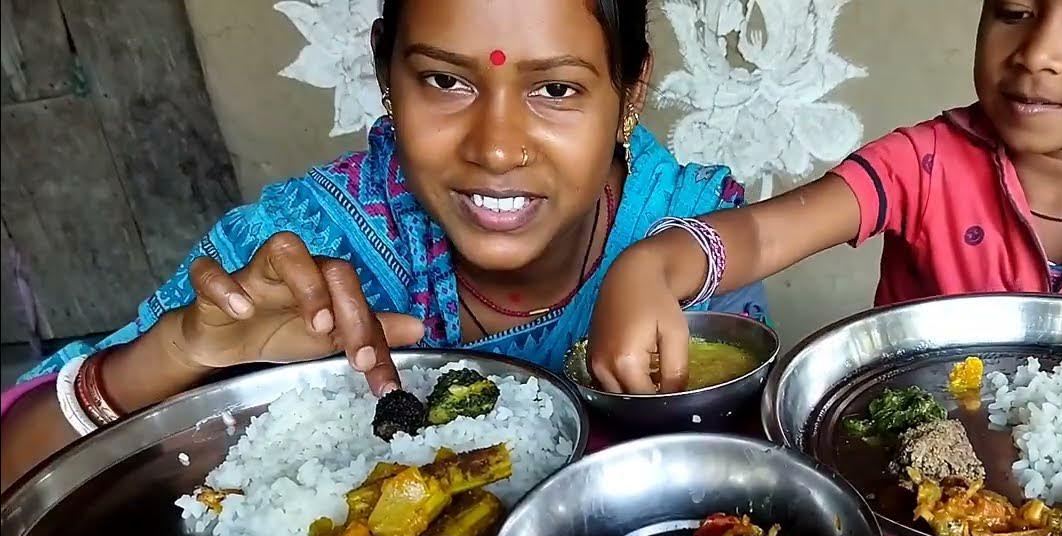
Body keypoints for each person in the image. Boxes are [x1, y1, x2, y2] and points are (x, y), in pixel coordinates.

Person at [0, 0, 766, 487]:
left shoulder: (692, 239)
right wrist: (170, 362)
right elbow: (16, 475)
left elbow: (737, 494)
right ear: (383, 74)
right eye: (444, 81)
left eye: (556, 89)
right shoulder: (295, 251)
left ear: (629, 94)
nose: (496, 149)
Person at [588, 0, 1062, 395]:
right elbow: (764, 234)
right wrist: (650, 265)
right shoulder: (925, 164)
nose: (1036, 52)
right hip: (905, 475)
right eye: (1013, 11)